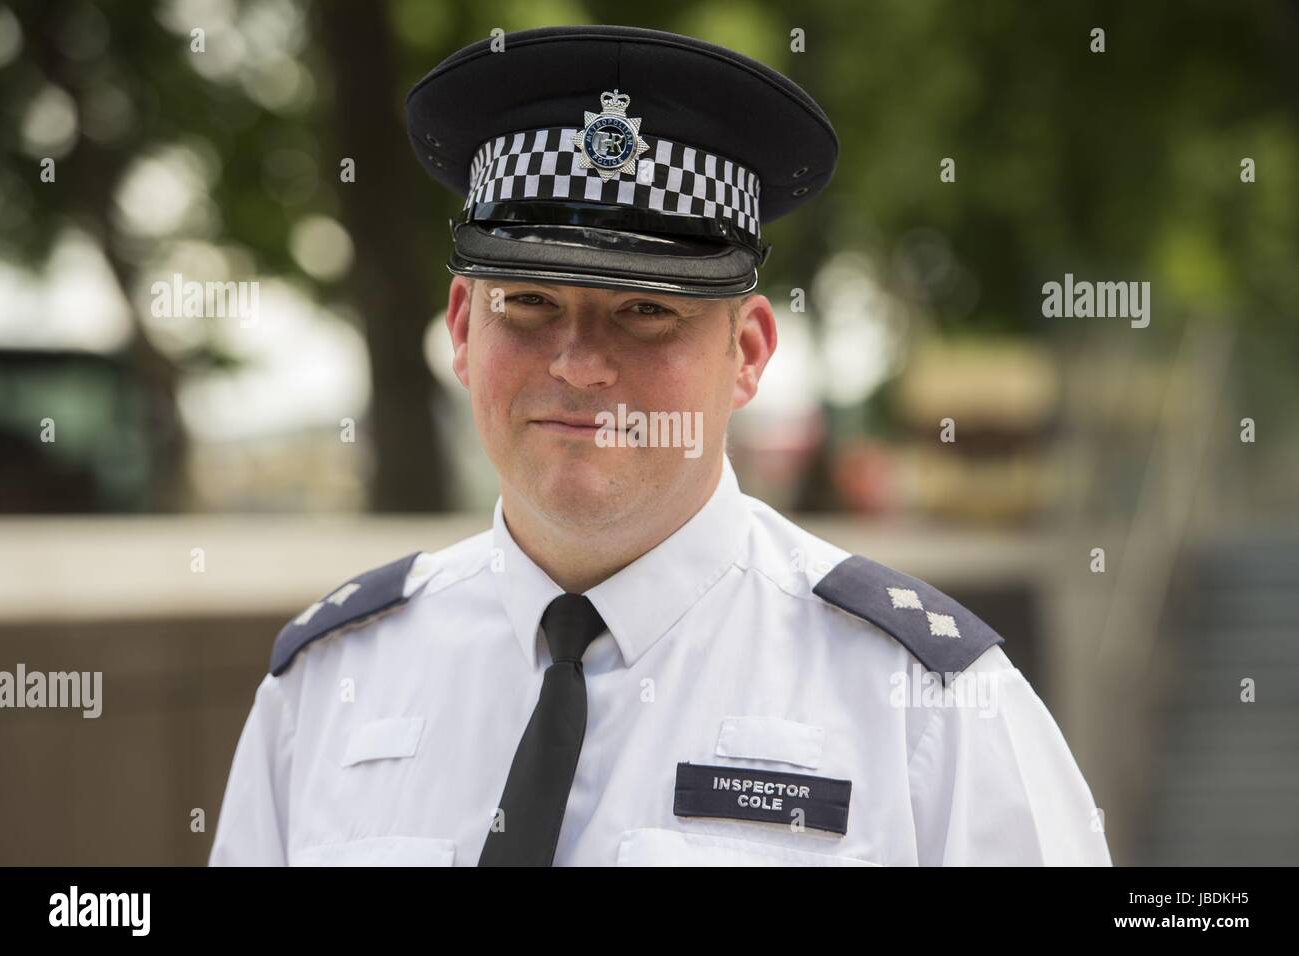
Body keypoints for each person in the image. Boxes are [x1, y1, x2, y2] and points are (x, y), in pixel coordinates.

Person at [209, 25, 1111, 867]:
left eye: (647, 311)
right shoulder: (329, 683)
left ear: (747, 353)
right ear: (460, 328)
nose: (579, 364)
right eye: (529, 302)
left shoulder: (929, 705)